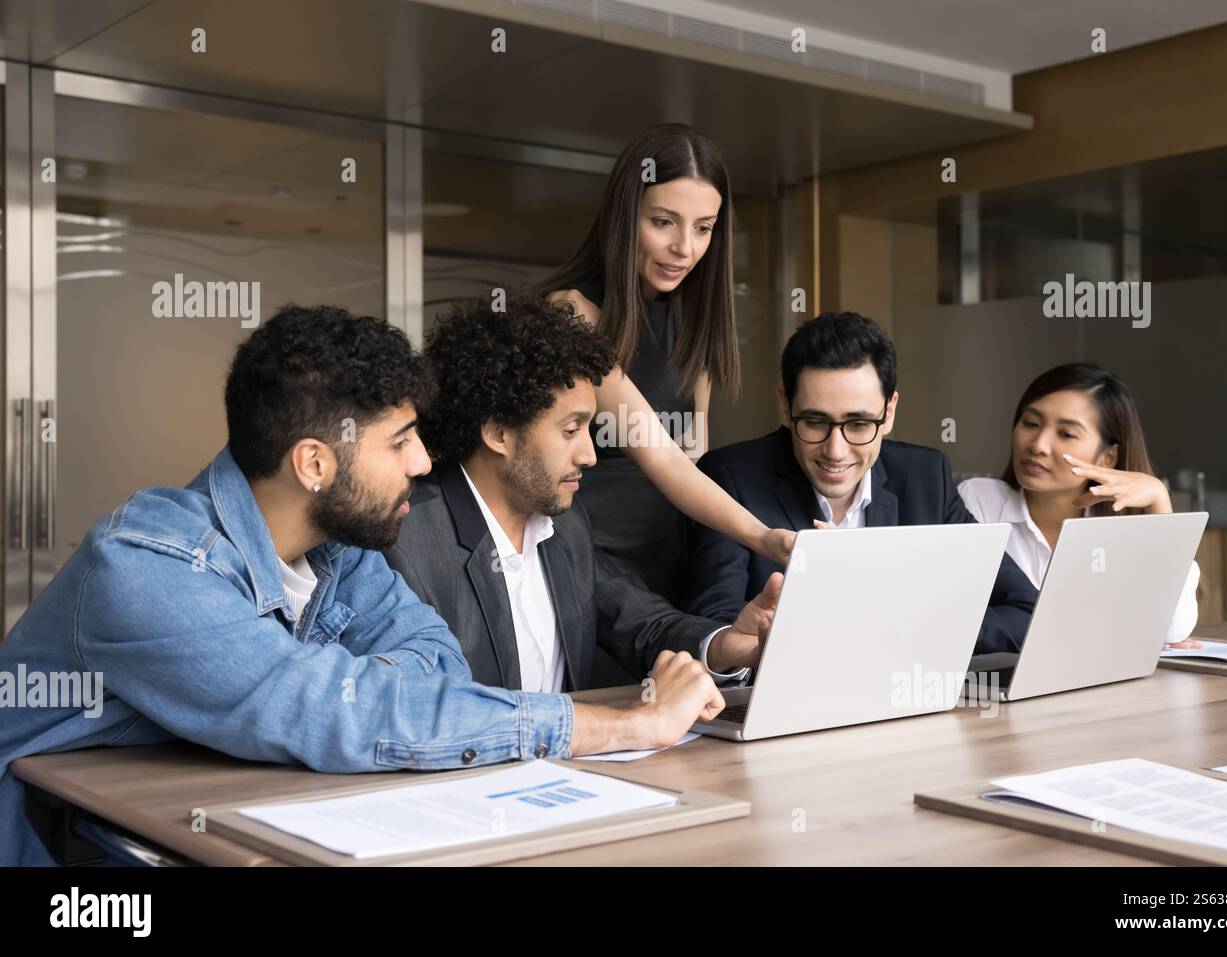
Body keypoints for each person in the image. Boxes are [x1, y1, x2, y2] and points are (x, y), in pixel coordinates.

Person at [0, 304, 725, 866]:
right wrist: (628, 726)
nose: (422, 462)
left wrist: (354, 698)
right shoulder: (146, 568)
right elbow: (336, 711)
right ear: (314, 463)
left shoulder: (337, 547)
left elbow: (429, 658)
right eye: (399, 441)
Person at [385, 291, 781, 692]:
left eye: (590, 430)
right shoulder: (404, 541)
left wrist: (729, 646)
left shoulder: (565, 523)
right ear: (498, 433)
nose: (590, 455)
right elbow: (422, 707)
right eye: (571, 431)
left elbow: (645, 626)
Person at [684, 311, 1039, 656]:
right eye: (814, 422)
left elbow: (1024, 610)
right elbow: (716, 632)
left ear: (890, 411)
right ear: (784, 405)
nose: (835, 451)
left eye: (858, 424)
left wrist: (905, 631)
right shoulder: (731, 478)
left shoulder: (925, 477)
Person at [538, 123, 792, 605]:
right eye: (663, 222)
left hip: (671, 561)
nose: (685, 248)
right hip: (587, 563)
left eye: (703, 228)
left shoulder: (695, 314)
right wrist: (762, 536)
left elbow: (694, 455)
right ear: (624, 215)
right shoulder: (573, 313)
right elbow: (660, 453)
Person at [958, 362, 1201, 647]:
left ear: (1107, 457)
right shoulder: (980, 501)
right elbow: (964, 618)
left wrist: (1160, 502)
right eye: (1031, 424)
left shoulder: (1123, 524)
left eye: (1066, 434)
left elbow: (1172, 631)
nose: (1038, 445)